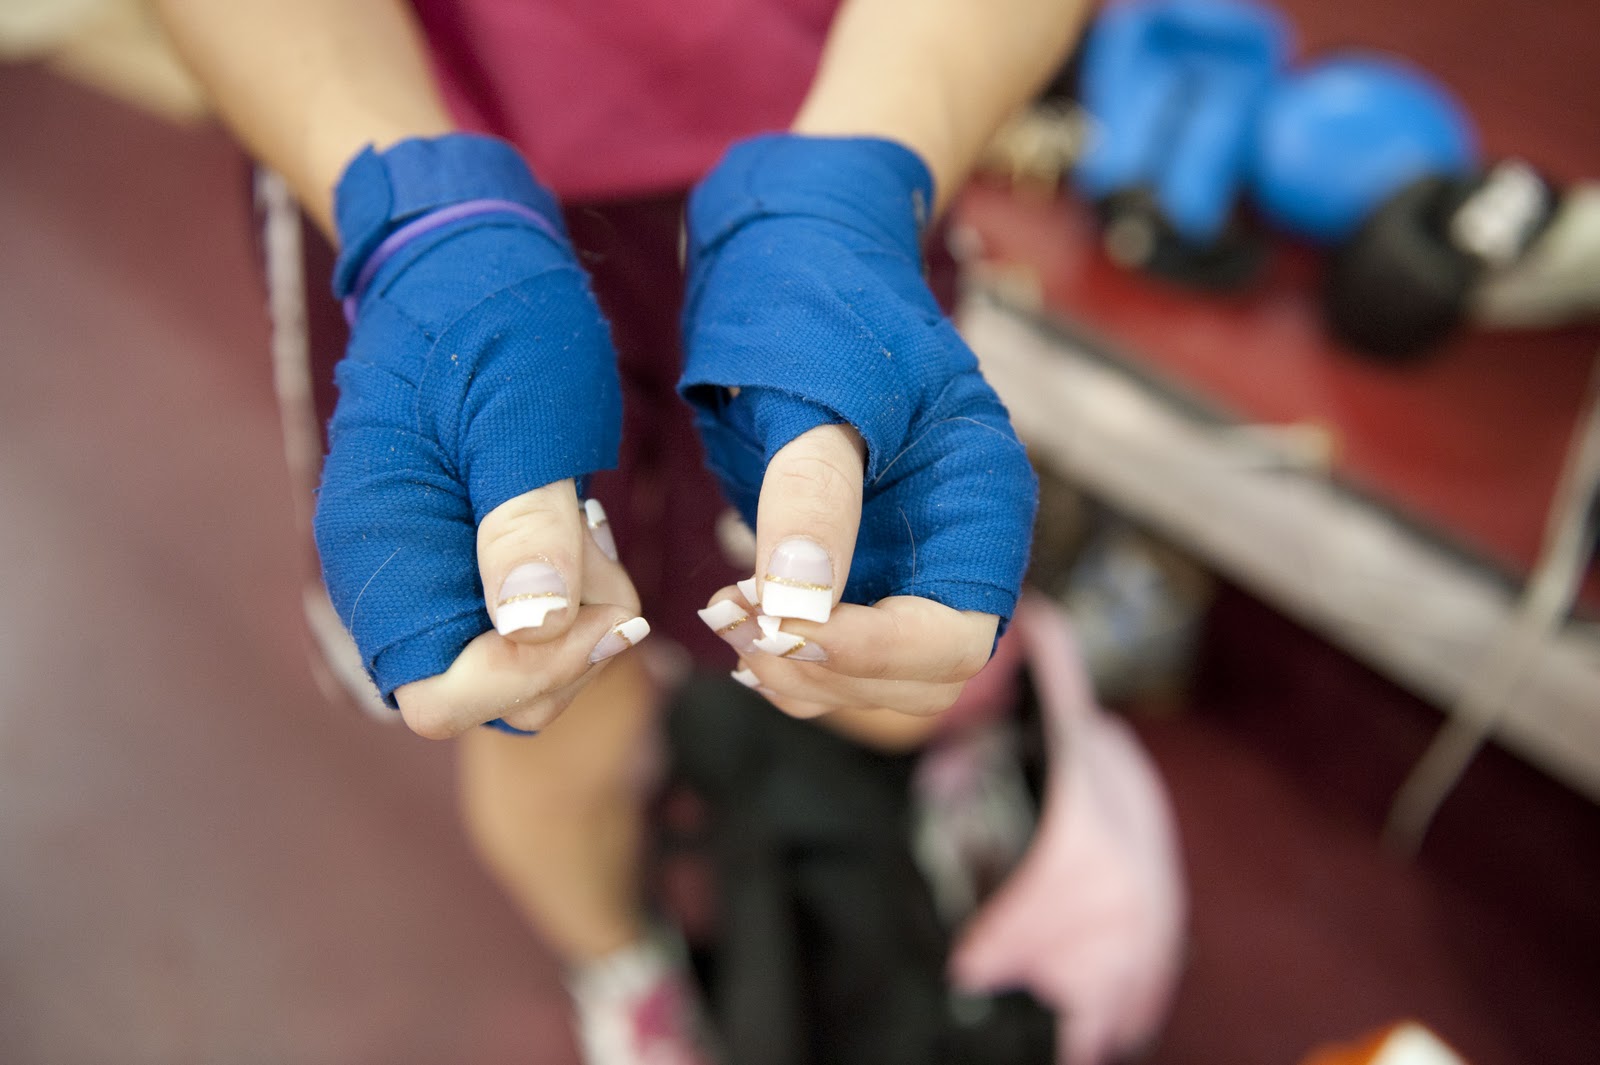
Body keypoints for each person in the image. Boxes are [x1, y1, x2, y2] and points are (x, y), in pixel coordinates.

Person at [153, 1, 1086, 1060]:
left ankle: (938, 758)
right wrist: (416, 229)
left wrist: (843, 191)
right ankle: (622, 969)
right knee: (543, 700)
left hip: (844, 129)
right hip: (410, 162)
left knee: (883, 622)